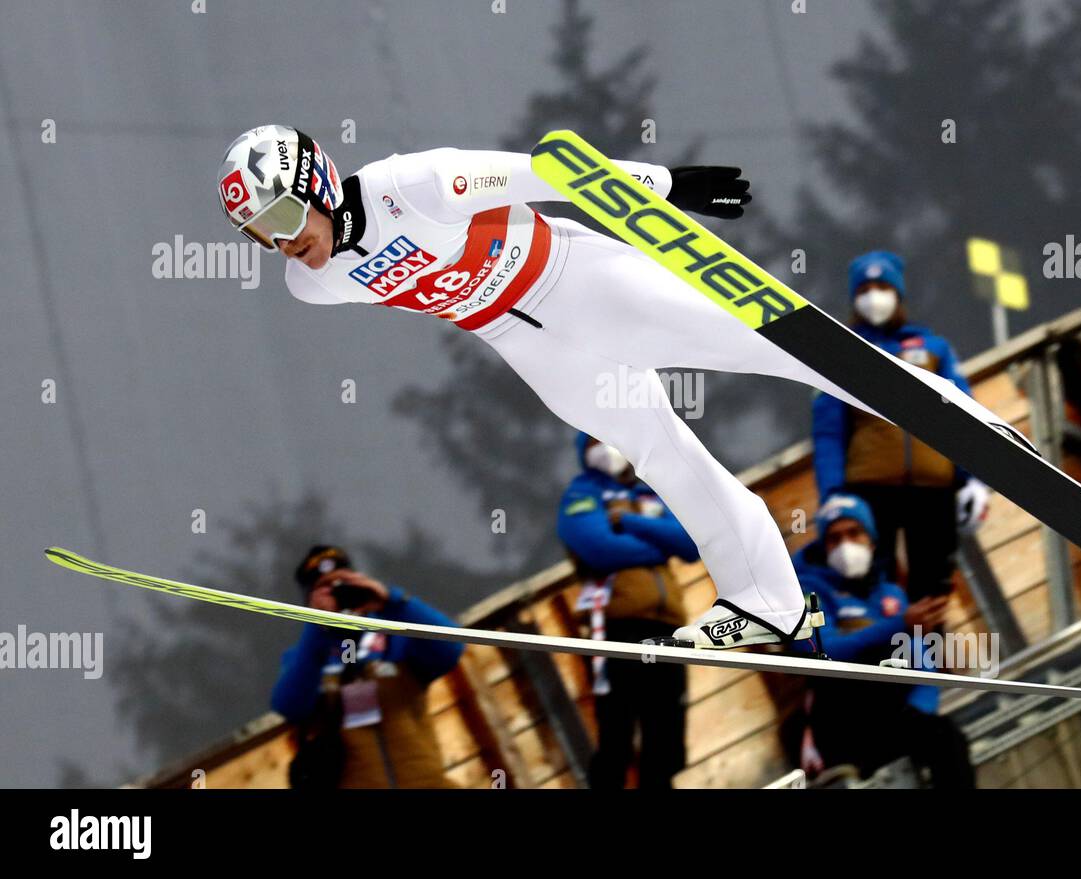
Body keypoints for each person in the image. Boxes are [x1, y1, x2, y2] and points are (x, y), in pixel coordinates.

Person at [218, 126, 1015, 652]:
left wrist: (668, 186)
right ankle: (765, 594)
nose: (284, 240)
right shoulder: (310, 283)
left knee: (776, 341)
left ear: (316, 179)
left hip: (581, 279)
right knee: (663, 456)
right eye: (261, 232)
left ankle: (971, 424)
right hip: (529, 345)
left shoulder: (409, 184)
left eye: (285, 213)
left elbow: (546, 171)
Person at [812, 251, 991, 602]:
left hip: (934, 487)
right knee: (877, 587)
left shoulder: (933, 348)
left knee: (934, 584)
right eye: (864, 289)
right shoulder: (841, 352)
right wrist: (834, 494)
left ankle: (930, 656)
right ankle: (883, 656)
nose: (873, 296)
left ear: (897, 293)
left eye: (882, 286)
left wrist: (973, 478)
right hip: (868, 492)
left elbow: (964, 413)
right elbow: (828, 433)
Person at [790, 495, 975, 788]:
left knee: (945, 737)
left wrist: (919, 713)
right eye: (834, 538)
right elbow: (823, 653)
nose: (845, 545)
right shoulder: (806, 593)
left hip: (893, 715)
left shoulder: (890, 593)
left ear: (872, 539)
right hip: (842, 719)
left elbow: (921, 659)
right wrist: (897, 625)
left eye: (854, 533)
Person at [558, 433, 698, 788]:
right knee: (617, 736)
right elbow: (601, 549)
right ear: (583, 452)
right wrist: (660, 545)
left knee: (665, 735)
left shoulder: (646, 492)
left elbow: (691, 542)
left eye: (606, 435)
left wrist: (632, 522)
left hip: (667, 631)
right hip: (617, 630)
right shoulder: (581, 495)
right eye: (592, 441)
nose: (604, 446)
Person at [271, 545, 465, 789]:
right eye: (324, 588)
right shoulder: (306, 657)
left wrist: (391, 601)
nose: (336, 593)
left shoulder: (395, 638)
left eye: (343, 584)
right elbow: (290, 706)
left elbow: (452, 648)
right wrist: (318, 626)